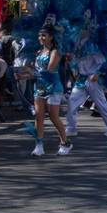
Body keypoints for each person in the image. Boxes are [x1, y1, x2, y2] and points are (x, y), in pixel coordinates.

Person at [30, 26, 70, 156]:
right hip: (40, 87)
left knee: (53, 117)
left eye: (43, 35)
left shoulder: (56, 52)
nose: (40, 38)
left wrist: (29, 74)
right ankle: (39, 146)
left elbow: (50, 69)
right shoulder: (38, 52)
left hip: (53, 87)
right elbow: (35, 69)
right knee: (38, 117)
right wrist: (22, 72)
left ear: (51, 37)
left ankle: (65, 143)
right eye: (39, 35)